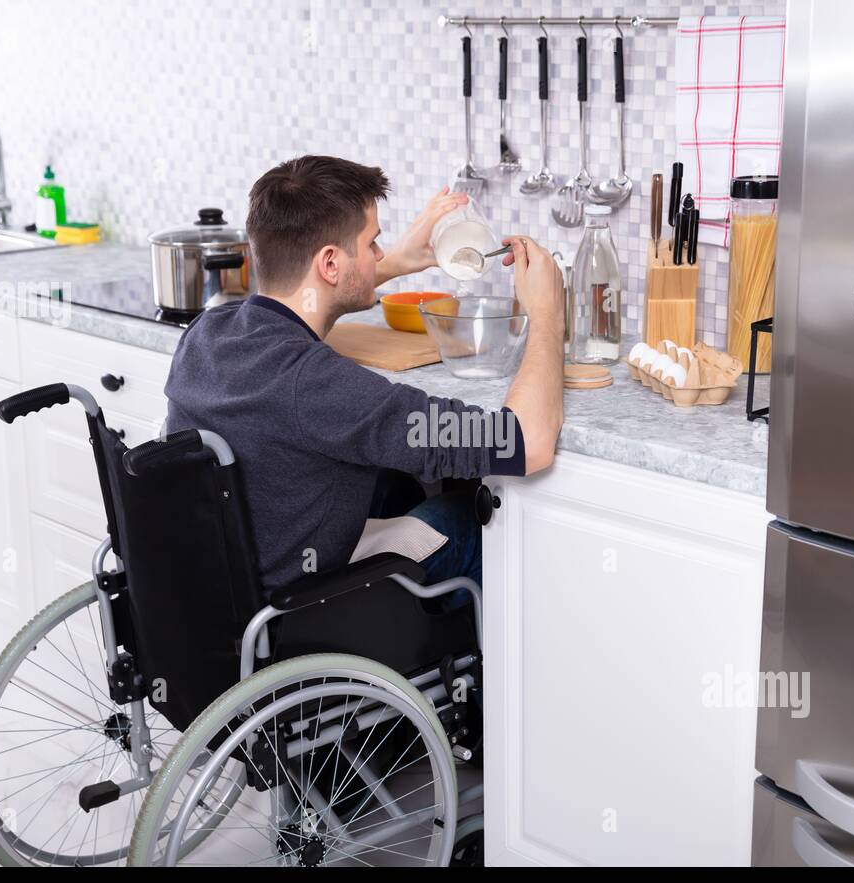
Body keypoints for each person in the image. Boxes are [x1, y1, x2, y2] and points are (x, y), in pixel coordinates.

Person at [164, 154, 564, 608]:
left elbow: (303, 310)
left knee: (398, 489)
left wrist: (386, 266)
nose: (379, 253)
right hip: (301, 612)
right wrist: (548, 313)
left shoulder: (206, 334)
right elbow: (525, 441)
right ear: (330, 263)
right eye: (373, 244)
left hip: (219, 596)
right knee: (469, 517)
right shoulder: (326, 390)